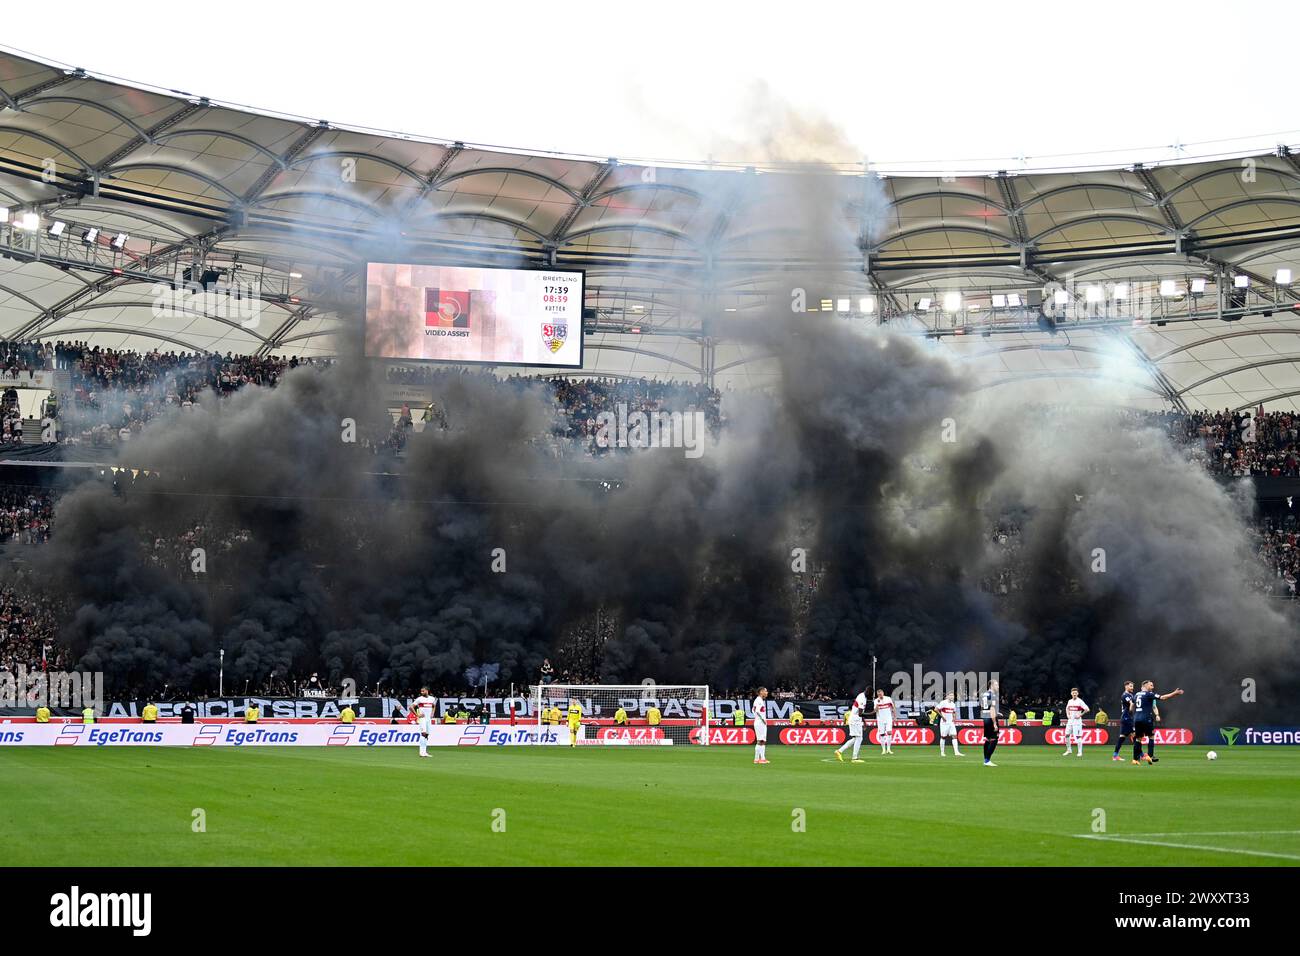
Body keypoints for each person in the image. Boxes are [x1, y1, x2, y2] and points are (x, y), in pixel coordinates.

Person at [1133, 681, 1184, 765]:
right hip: (1146, 718)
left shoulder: (1136, 694)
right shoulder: (1149, 694)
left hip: (1137, 719)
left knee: (1138, 739)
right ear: (1145, 686)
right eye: (1151, 685)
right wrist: (1175, 693)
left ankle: (1135, 759)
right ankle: (1150, 755)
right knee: (1151, 736)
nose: (1152, 687)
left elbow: (1132, 705)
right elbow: (1163, 697)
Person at [834, 689, 867, 763]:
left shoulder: (857, 703)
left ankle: (839, 751)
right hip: (855, 721)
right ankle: (854, 758)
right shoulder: (861, 700)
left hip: (853, 721)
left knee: (855, 739)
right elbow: (861, 714)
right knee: (859, 738)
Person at [1111, 681, 1136, 762]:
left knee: (1122, 737)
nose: (1132, 688)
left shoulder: (1129, 695)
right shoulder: (1126, 695)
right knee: (1134, 735)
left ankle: (1115, 755)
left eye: (1133, 686)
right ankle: (1141, 755)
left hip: (1125, 718)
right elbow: (1131, 704)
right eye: (1131, 686)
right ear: (1126, 686)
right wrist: (1131, 710)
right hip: (1127, 718)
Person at [1062, 688, 1088, 757]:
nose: (1074, 694)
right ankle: (1069, 750)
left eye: (1075, 693)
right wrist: (1068, 714)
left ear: (1077, 694)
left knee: (1078, 736)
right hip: (1070, 721)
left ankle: (1080, 752)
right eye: (1073, 693)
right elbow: (1067, 708)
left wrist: (1080, 715)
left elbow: (1087, 709)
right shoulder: (1069, 701)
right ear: (1071, 694)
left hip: (1077, 722)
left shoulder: (1080, 701)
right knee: (1067, 735)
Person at [936, 691, 962, 756]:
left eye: (953, 695)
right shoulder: (943, 703)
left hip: (951, 722)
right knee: (943, 737)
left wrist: (954, 717)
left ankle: (956, 752)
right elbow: (936, 709)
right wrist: (942, 717)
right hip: (944, 723)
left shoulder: (953, 704)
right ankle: (942, 752)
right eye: (950, 695)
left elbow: (954, 711)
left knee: (954, 736)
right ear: (947, 696)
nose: (952, 697)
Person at [981, 680, 1001, 766]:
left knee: (988, 739)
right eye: (996, 685)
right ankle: (987, 760)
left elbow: (982, 707)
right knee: (994, 739)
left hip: (985, 717)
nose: (998, 686)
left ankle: (986, 759)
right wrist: (994, 723)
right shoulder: (993, 695)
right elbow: (992, 709)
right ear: (991, 685)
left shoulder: (984, 694)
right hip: (990, 717)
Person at [413, 687, 436, 758]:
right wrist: (417, 715)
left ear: (427, 691)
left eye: (423, 691)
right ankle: (421, 752)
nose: (422, 692)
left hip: (428, 719)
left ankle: (424, 752)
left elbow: (434, 706)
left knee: (426, 735)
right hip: (422, 719)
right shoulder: (419, 699)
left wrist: (432, 713)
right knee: (423, 734)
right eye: (421, 691)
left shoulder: (432, 698)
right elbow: (411, 707)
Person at [874, 689, 895, 755]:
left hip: (888, 718)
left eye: (881, 694)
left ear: (883, 693)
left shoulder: (888, 699)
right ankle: (883, 749)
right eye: (878, 694)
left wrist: (894, 716)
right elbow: (875, 710)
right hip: (880, 719)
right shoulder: (876, 701)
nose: (880, 695)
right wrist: (877, 705)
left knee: (889, 732)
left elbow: (893, 707)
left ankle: (888, 749)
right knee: (882, 734)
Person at [752, 687, 769, 764]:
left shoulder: (758, 700)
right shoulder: (759, 700)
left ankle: (757, 759)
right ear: (761, 692)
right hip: (760, 722)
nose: (767, 692)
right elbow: (758, 711)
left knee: (761, 740)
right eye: (765, 691)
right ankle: (761, 759)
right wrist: (763, 720)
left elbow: (753, 710)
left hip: (758, 721)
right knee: (761, 741)